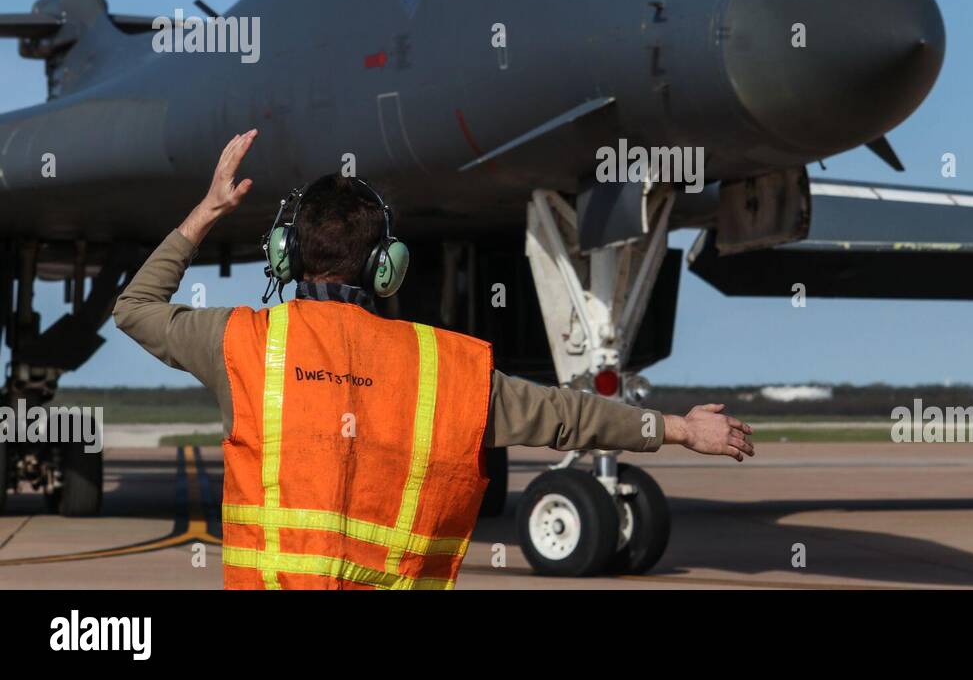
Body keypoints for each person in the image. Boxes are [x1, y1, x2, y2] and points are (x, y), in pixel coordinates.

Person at [113, 129, 754, 589]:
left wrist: (207, 212)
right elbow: (565, 417)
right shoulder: (443, 368)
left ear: (285, 255)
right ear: (386, 268)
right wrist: (680, 429)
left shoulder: (244, 344)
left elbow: (136, 307)